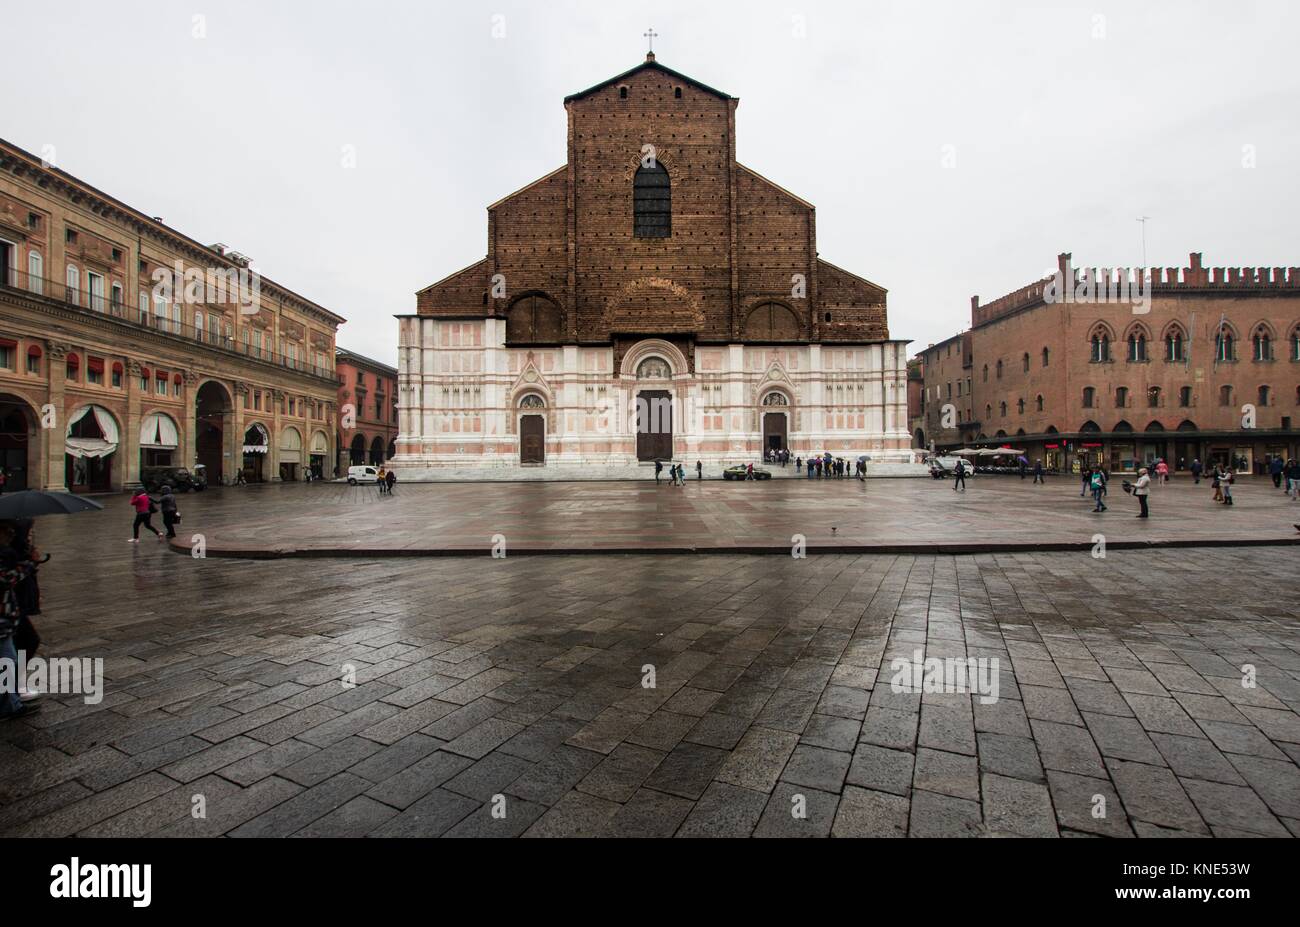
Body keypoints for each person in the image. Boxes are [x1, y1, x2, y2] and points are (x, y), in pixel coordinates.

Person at [0, 520, 40, 720]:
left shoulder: (8, 551)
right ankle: (11, 705)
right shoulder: (5, 553)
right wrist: (28, 564)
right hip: (2, 619)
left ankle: (12, 700)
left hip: (8, 616)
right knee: (9, 661)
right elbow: (5, 578)